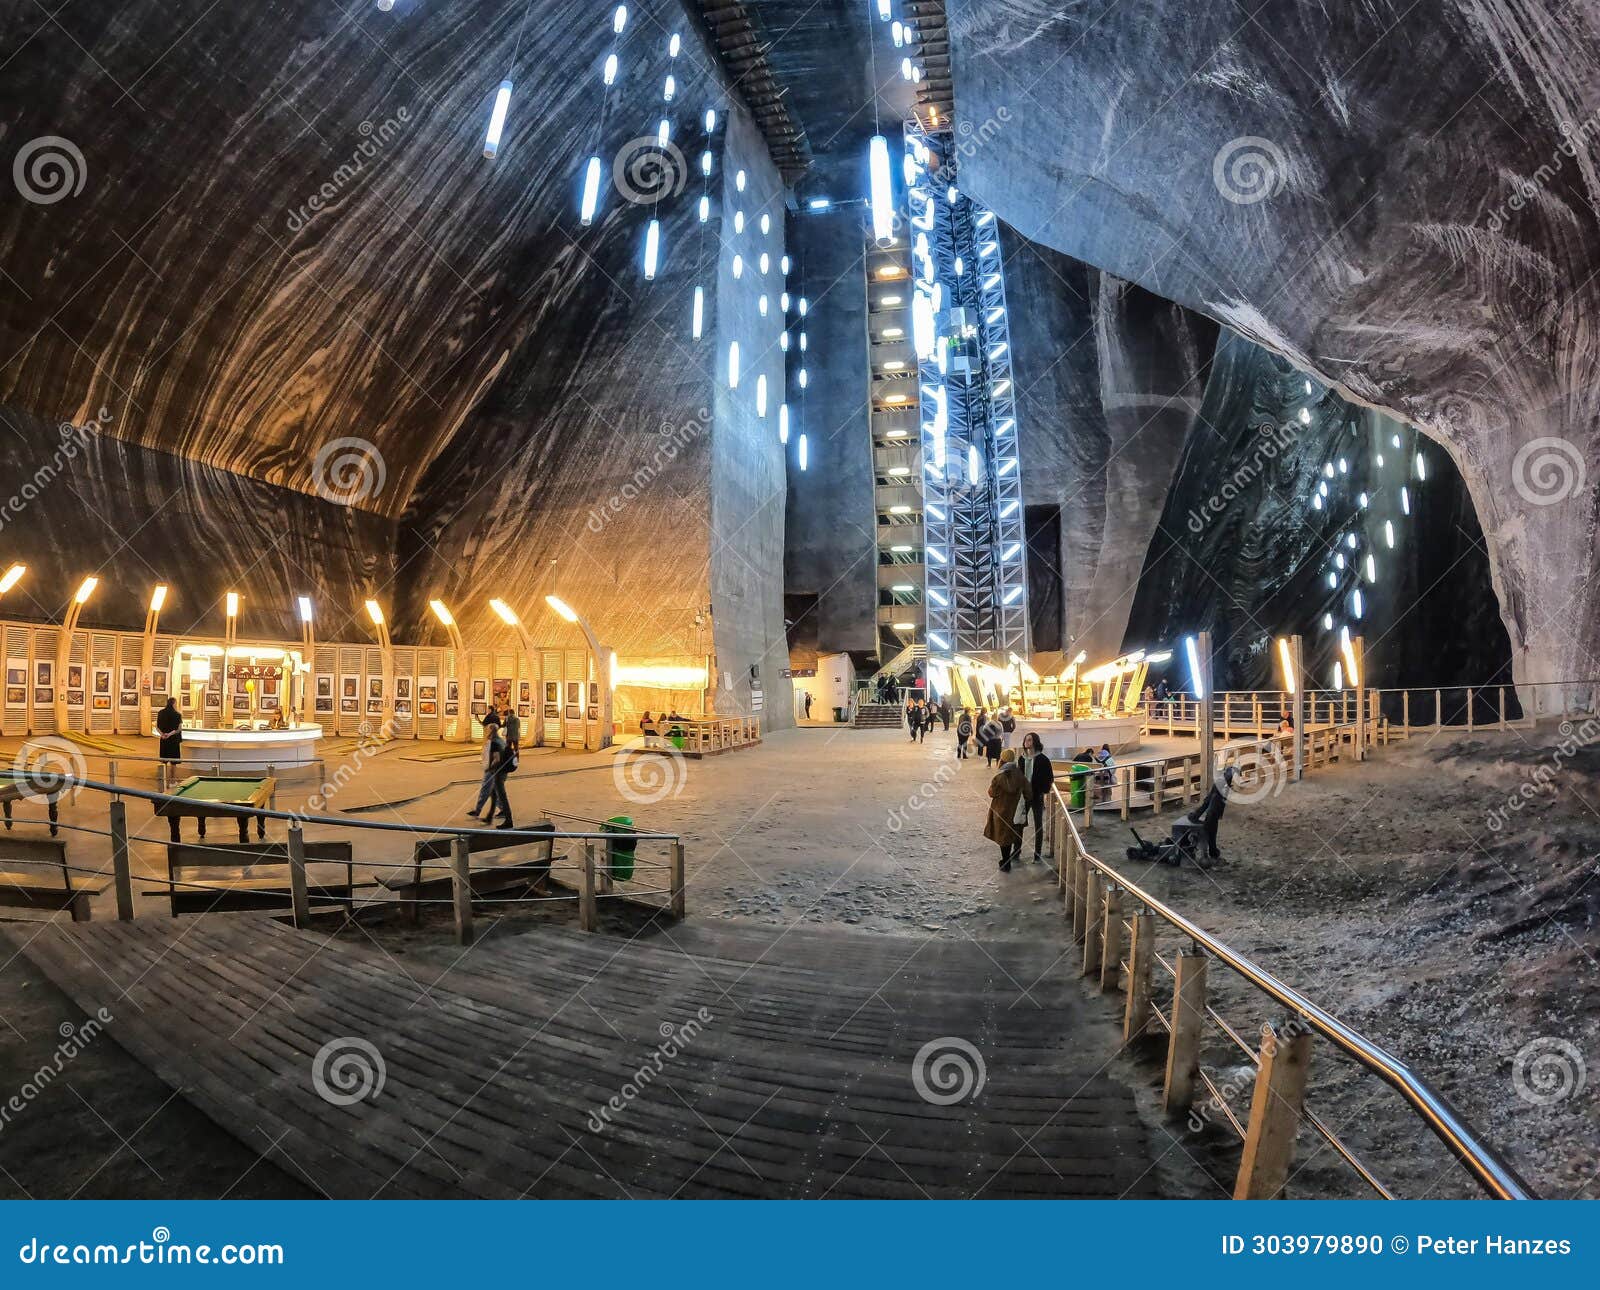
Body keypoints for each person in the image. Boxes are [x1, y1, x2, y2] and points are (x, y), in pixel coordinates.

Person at [984, 748, 1032, 872]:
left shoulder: (998, 778)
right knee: (1011, 834)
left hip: (1000, 811)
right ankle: (1010, 858)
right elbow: (1029, 794)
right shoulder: (1020, 776)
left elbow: (991, 793)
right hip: (1015, 811)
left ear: (1002, 760)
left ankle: (1005, 861)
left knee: (1002, 837)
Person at [1017, 732, 1054, 862]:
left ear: (1035, 742)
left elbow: (1049, 777)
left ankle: (1037, 854)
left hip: (1036, 796)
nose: (1027, 742)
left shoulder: (1043, 759)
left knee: (1038, 825)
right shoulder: (1021, 758)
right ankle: (1016, 851)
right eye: (1026, 739)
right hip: (1023, 796)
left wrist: (1042, 790)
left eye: (1030, 740)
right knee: (1019, 822)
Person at [1186, 766, 1234, 864]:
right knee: (1210, 835)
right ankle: (1210, 855)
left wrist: (1197, 814)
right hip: (1212, 814)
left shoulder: (1221, 783)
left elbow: (1208, 801)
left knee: (1211, 836)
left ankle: (1211, 854)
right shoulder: (1222, 785)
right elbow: (1211, 802)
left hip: (1212, 813)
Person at [485, 726, 517, 829]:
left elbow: (497, 759)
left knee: (502, 795)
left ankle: (508, 820)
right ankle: (492, 814)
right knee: (493, 792)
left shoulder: (494, 742)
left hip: (499, 772)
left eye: (487, 730)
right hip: (503, 771)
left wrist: (490, 768)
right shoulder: (500, 740)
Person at [155, 697, 183, 766]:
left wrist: (162, 734)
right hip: (174, 740)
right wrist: (170, 734)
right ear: (173, 704)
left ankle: (164, 775)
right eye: (176, 703)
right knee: (174, 762)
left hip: (164, 740)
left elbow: (157, 727)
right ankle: (172, 776)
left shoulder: (160, 713)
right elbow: (179, 729)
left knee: (164, 761)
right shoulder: (178, 715)